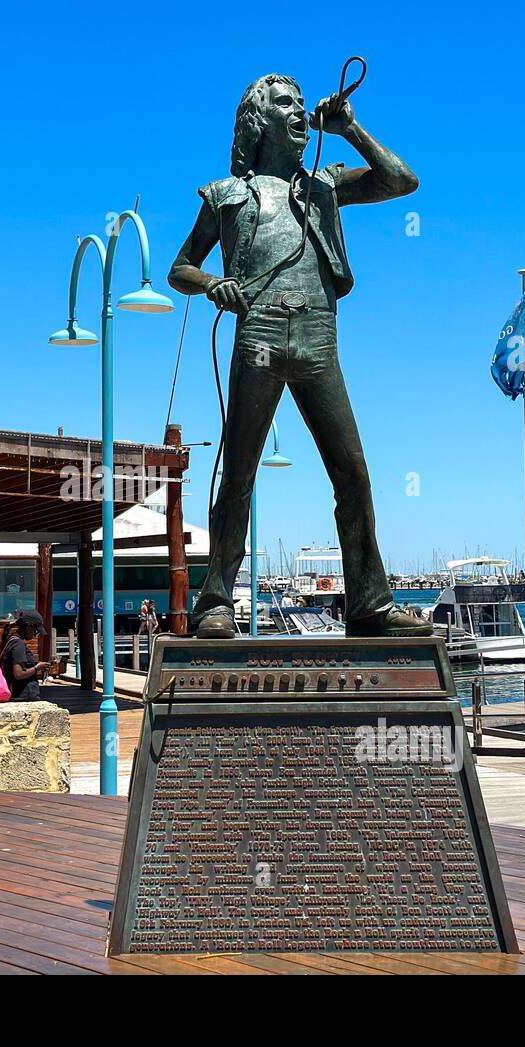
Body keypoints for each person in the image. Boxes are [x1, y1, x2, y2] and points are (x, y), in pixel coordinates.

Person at [168, 72, 432, 639]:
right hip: (258, 334)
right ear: (259, 120)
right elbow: (179, 268)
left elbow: (401, 181)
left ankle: (368, 602)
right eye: (285, 103)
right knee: (237, 474)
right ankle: (215, 601)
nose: (298, 111)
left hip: (317, 336)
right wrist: (213, 284)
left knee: (353, 474)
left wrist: (350, 129)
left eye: (302, 105)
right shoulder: (226, 195)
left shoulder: (324, 185)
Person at [0, 610, 52, 702]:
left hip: (18, 696)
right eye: (35, 631)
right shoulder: (18, 644)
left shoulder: (11, 640)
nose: (35, 635)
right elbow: (19, 674)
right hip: (22, 697)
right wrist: (37, 667)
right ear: (28, 626)